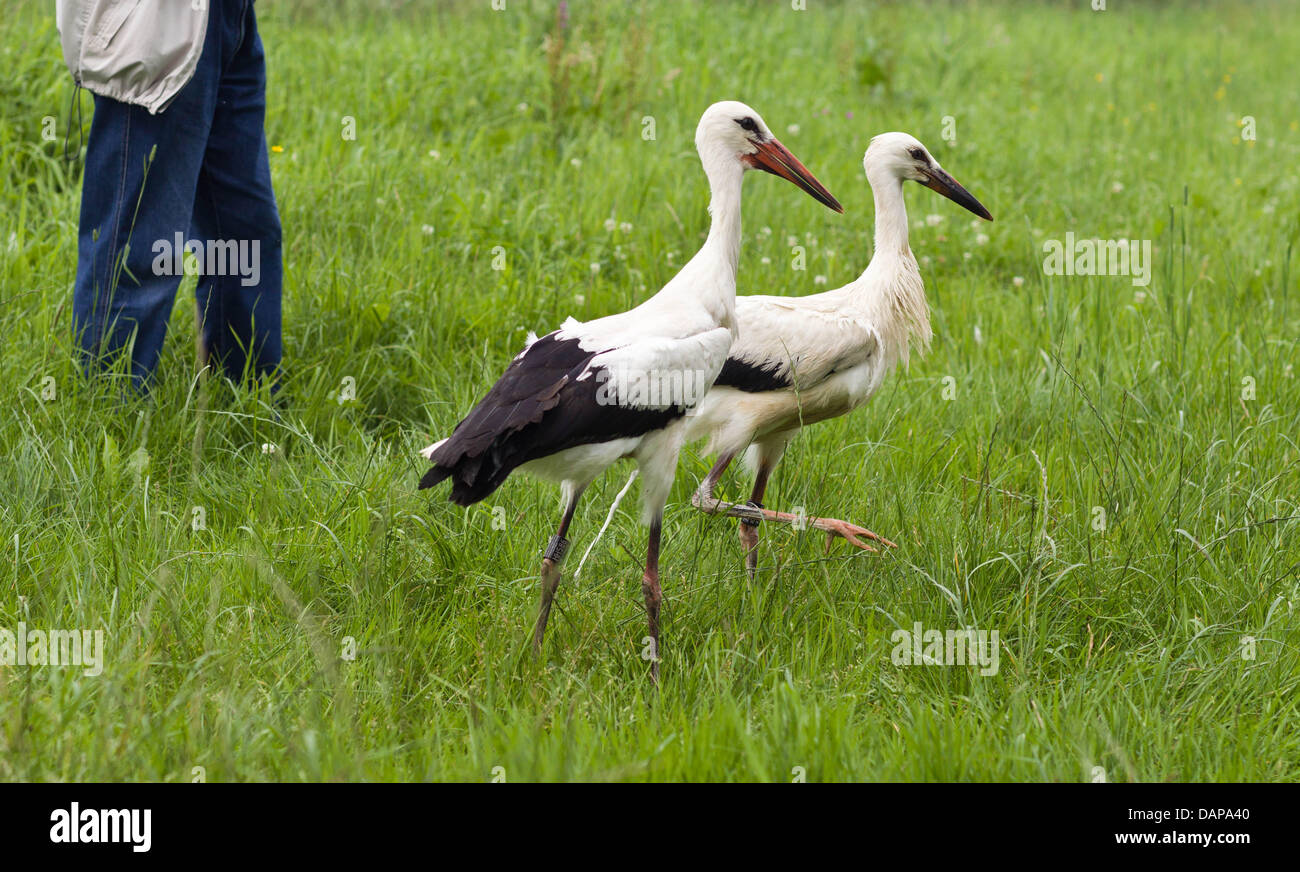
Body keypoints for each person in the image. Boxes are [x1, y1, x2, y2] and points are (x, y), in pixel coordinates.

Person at [57, 0, 282, 390]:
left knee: (242, 226)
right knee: (142, 243)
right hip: (154, 22)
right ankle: (110, 415)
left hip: (229, 17)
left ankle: (247, 397)